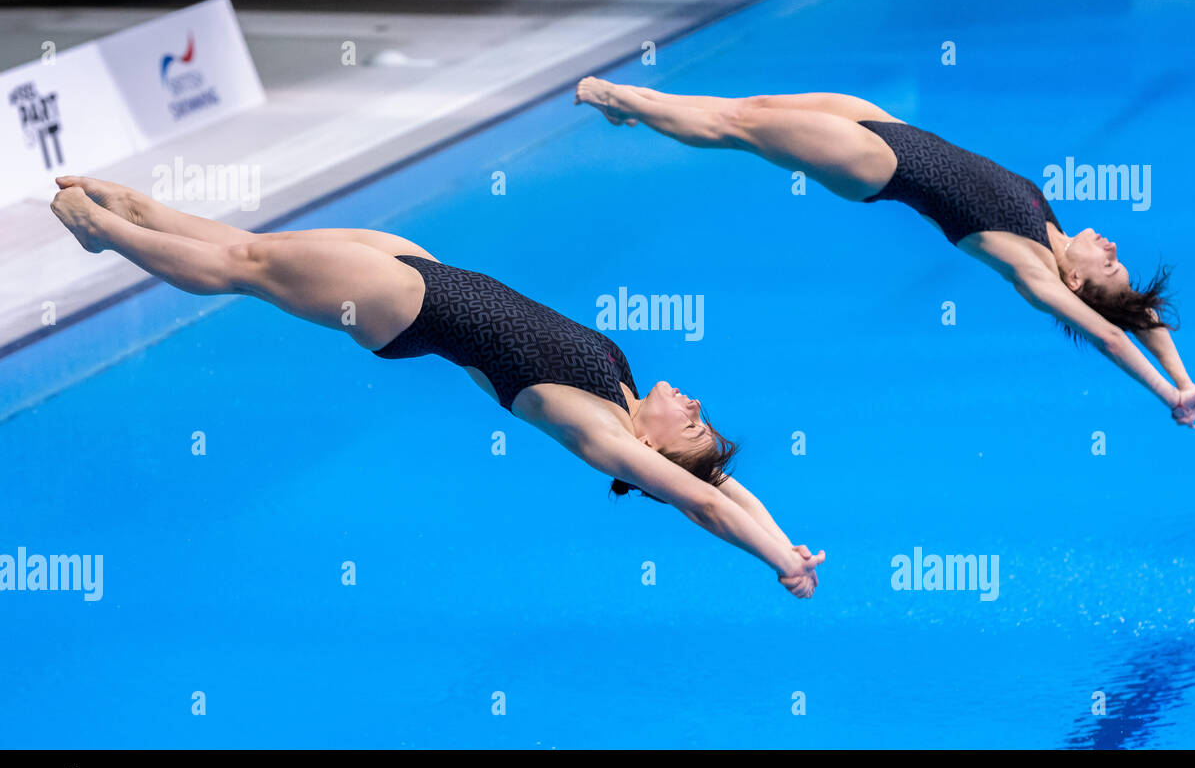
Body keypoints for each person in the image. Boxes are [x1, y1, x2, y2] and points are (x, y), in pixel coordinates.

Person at [48, 175, 826, 597]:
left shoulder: (603, 435)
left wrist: (777, 564)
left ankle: (105, 231)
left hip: (404, 307)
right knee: (260, 250)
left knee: (243, 272)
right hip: (431, 274)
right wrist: (783, 535)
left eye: (692, 423)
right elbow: (721, 484)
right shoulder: (621, 388)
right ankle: (142, 210)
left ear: (653, 452)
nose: (692, 403)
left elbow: (701, 499)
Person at [574, 79, 1195, 428]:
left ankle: (617, 98)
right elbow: (1141, 321)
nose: (1112, 245)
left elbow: (1111, 337)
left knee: (738, 128)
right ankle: (638, 112)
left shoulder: (1034, 271)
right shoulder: (1054, 231)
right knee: (755, 108)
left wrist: (1166, 395)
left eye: (1109, 263)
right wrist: (1183, 376)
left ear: (1074, 282)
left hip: (874, 165)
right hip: (889, 130)